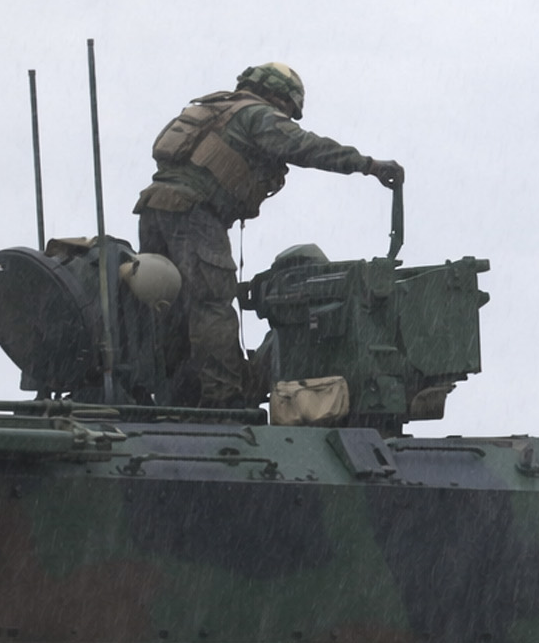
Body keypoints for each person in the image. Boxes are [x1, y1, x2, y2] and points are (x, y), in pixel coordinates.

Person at [135, 63, 401, 408]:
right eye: (289, 109)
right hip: (195, 214)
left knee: (165, 304)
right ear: (278, 96)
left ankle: (174, 391)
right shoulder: (257, 115)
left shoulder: (210, 110)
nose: (288, 116)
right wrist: (368, 165)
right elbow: (305, 147)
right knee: (212, 304)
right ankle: (222, 399)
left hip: (155, 208)